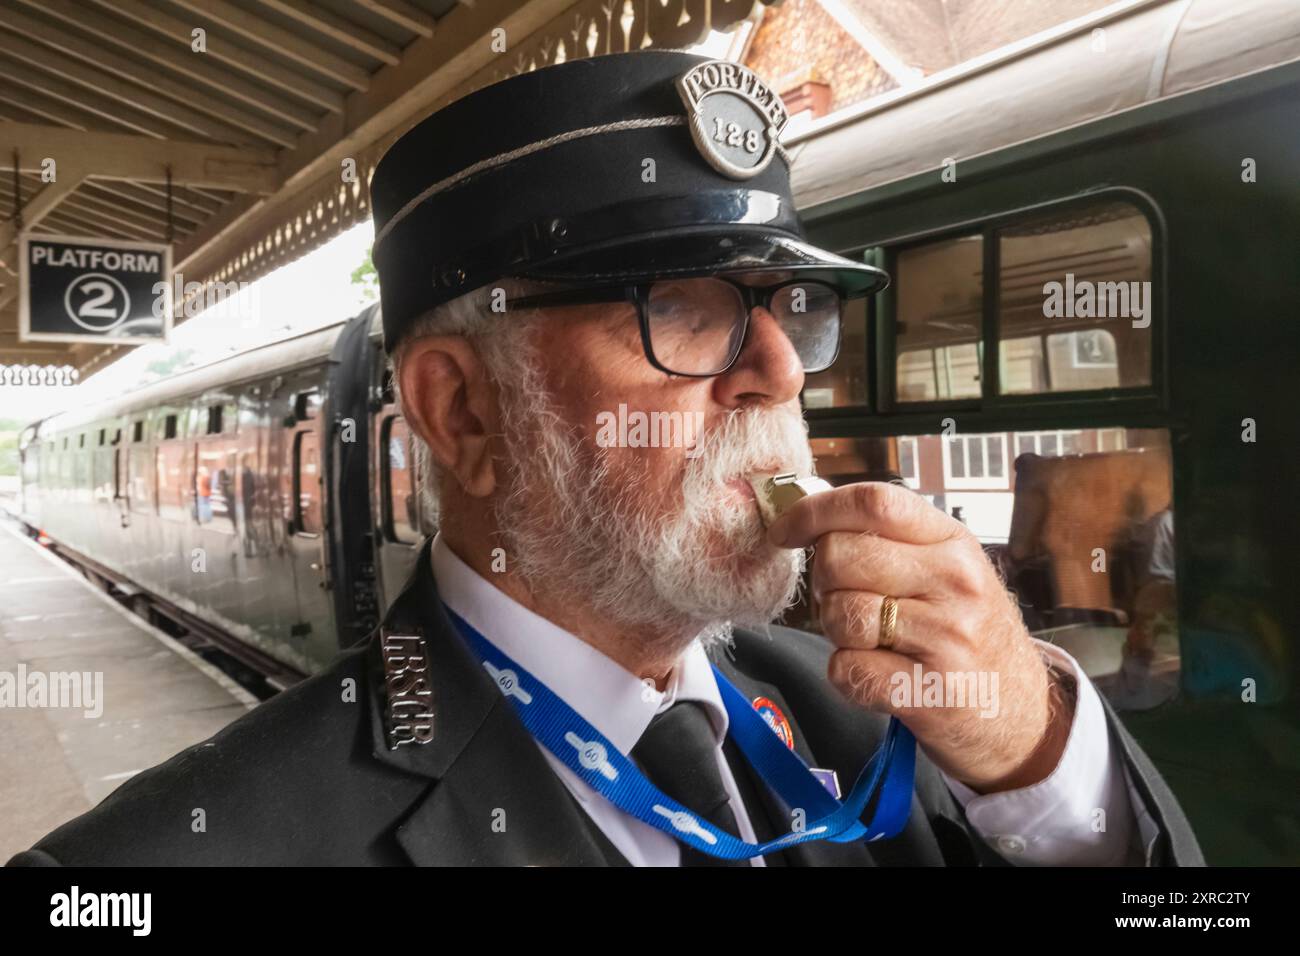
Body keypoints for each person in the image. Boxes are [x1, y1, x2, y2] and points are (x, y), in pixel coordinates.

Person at [8, 50, 1200, 867]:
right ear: (462, 410)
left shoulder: (863, 717)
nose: (781, 370)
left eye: (788, 302)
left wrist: (1038, 754)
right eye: (681, 306)